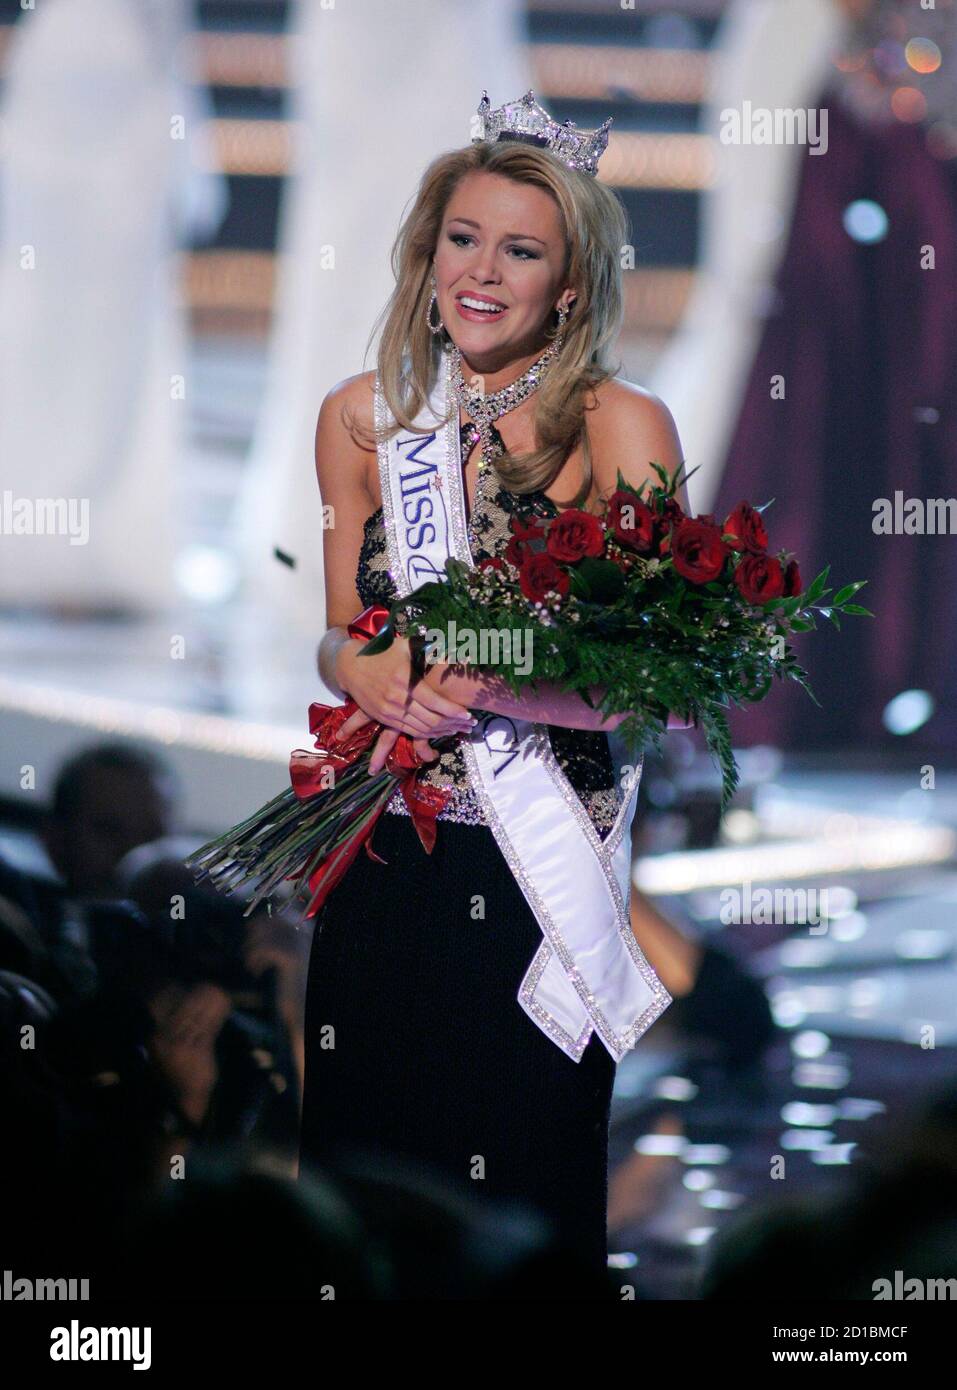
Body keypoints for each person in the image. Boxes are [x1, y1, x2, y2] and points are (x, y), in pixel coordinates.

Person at [299, 91, 688, 1286]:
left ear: (569, 285)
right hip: (381, 852)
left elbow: (650, 679)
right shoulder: (365, 420)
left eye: (521, 250)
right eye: (462, 239)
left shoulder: (623, 425)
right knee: (364, 1189)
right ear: (426, 257)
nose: (482, 271)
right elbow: (337, 637)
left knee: (524, 1188)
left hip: (533, 873)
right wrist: (355, 664)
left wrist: (505, 673)